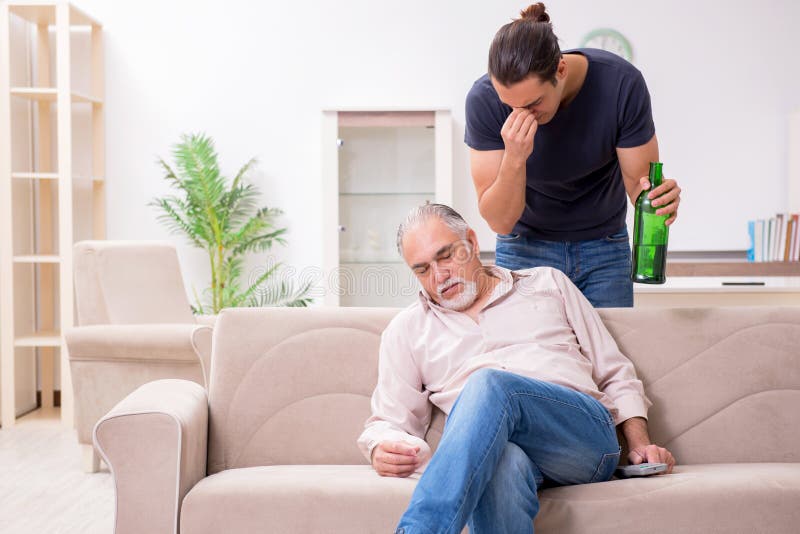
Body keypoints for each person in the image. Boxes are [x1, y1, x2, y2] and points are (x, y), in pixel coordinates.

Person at [356, 203, 675, 534]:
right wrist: (381, 447)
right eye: (422, 269)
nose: (439, 276)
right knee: (501, 465)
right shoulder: (407, 330)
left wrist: (639, 444)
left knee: (490, 383)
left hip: (582, 439)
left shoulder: (548, 284)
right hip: (501, 448)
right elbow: (389, 421)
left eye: (446, 256)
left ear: (471, 242)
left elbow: (614, 373)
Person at [465, 3, 682, 308]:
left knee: (609, 353)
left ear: (561, 70)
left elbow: (639, 186)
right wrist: (514, 158)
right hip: (524, 248)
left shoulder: (621, 84)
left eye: (532, 103)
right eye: (509, 105)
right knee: (525, 354)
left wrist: (661, 200)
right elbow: (501, 222)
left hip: (604, 249)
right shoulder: (484, 100)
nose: (519, 114)